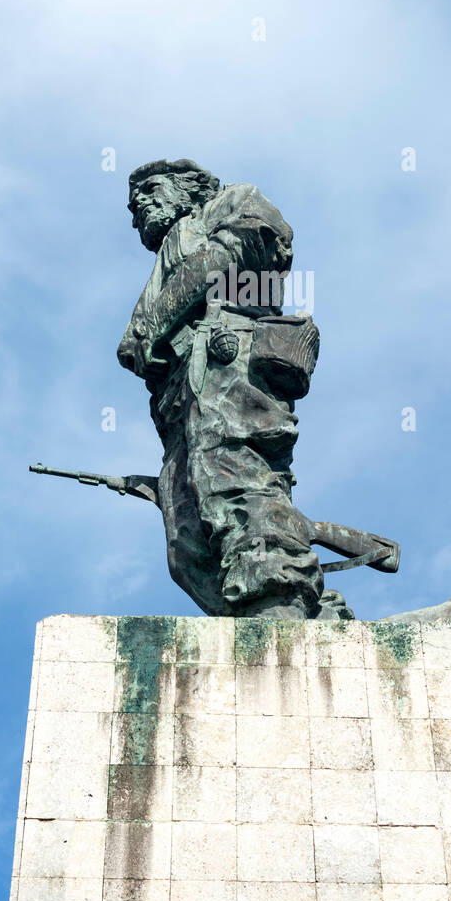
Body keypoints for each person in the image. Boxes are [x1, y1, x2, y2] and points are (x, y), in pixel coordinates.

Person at [117, 158, 351, 620]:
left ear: (189, 188)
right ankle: (293, 611)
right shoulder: (168, 255)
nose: (138, 206)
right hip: (180, 398)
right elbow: (133, 349)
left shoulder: (235, 200)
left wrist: (152, 323)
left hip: (229, 365)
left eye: (151, 189)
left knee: (238, 485)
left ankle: (277, 599)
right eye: (133, 202)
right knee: (184, 528)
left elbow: (236, 250)